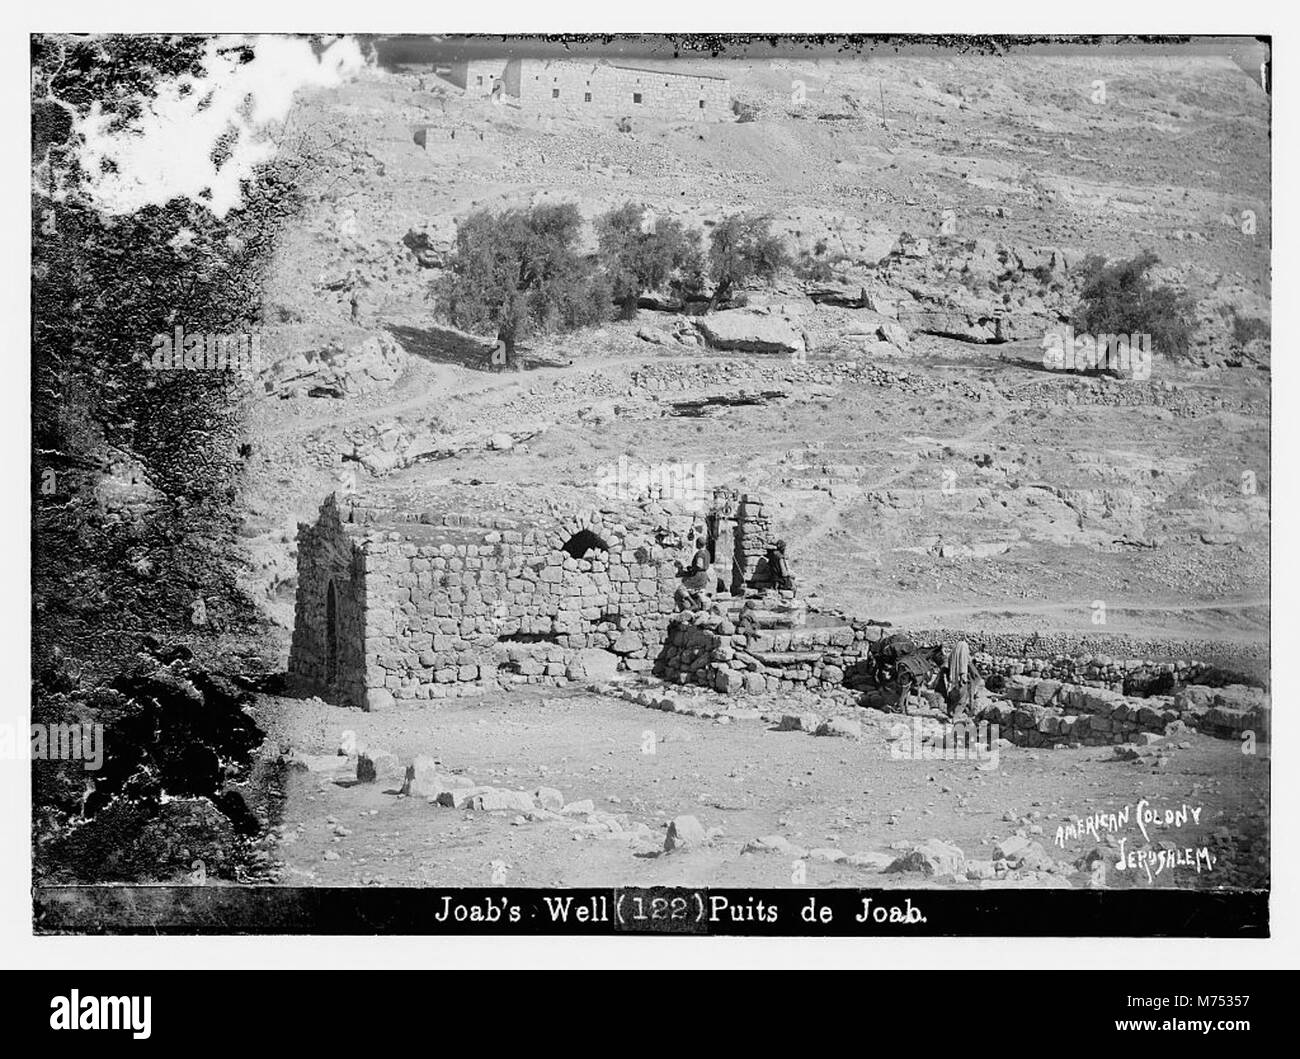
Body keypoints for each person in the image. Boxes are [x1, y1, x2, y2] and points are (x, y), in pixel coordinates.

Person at [677, 536, 714, 611]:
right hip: (704, 575)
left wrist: (690, 568)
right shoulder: (707, 552)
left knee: (681, 588)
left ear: (699, 544)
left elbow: (699, 565)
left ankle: (693, 604)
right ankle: (703, 609)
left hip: (698, 575)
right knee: (700, 592)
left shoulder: (700, 553)